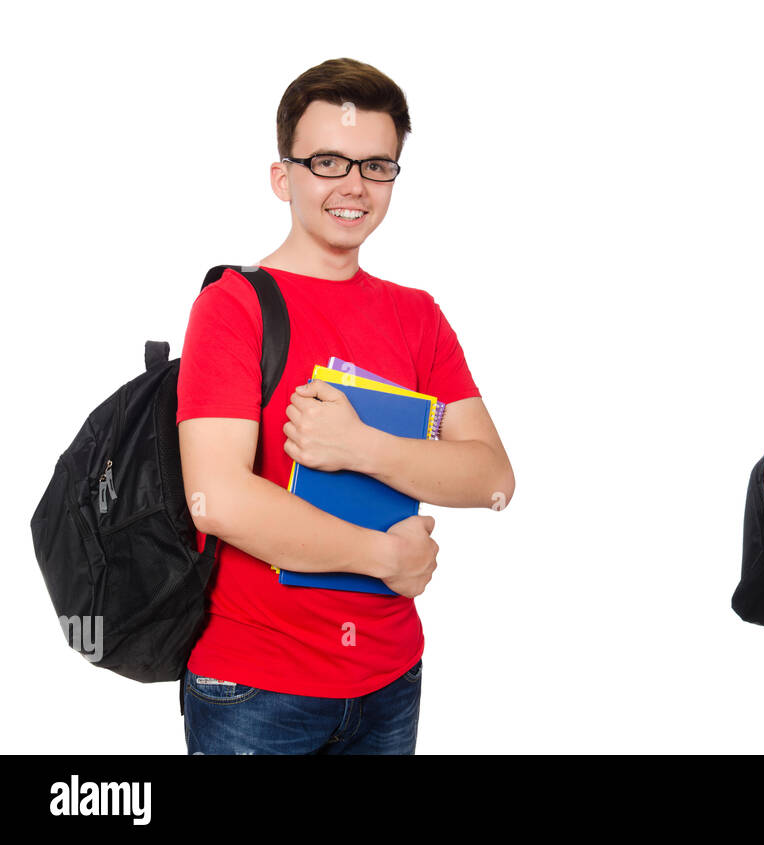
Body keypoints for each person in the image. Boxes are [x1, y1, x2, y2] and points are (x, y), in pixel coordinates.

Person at [176, 57, 514, 754]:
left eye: (377, 165)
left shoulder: (417, 315)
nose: (354, 186)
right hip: (256, 691)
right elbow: (219, 498)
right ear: (282, 176)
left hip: (389, 678)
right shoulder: (232, 306)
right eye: (327, 161)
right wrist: (382, 557)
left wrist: (361, 446)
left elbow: (493, 477)